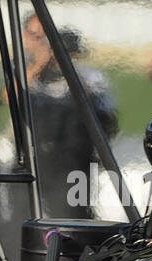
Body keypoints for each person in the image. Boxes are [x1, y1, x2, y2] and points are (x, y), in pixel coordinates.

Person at [20, 14, 117, 216]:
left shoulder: (89, 75)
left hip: (75, 159)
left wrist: (70, 69)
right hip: (37, 155)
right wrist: (41, 64)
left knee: (74, 213)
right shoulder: (33, 71)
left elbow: (105, 114)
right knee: (26, 214)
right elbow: (13, 93)